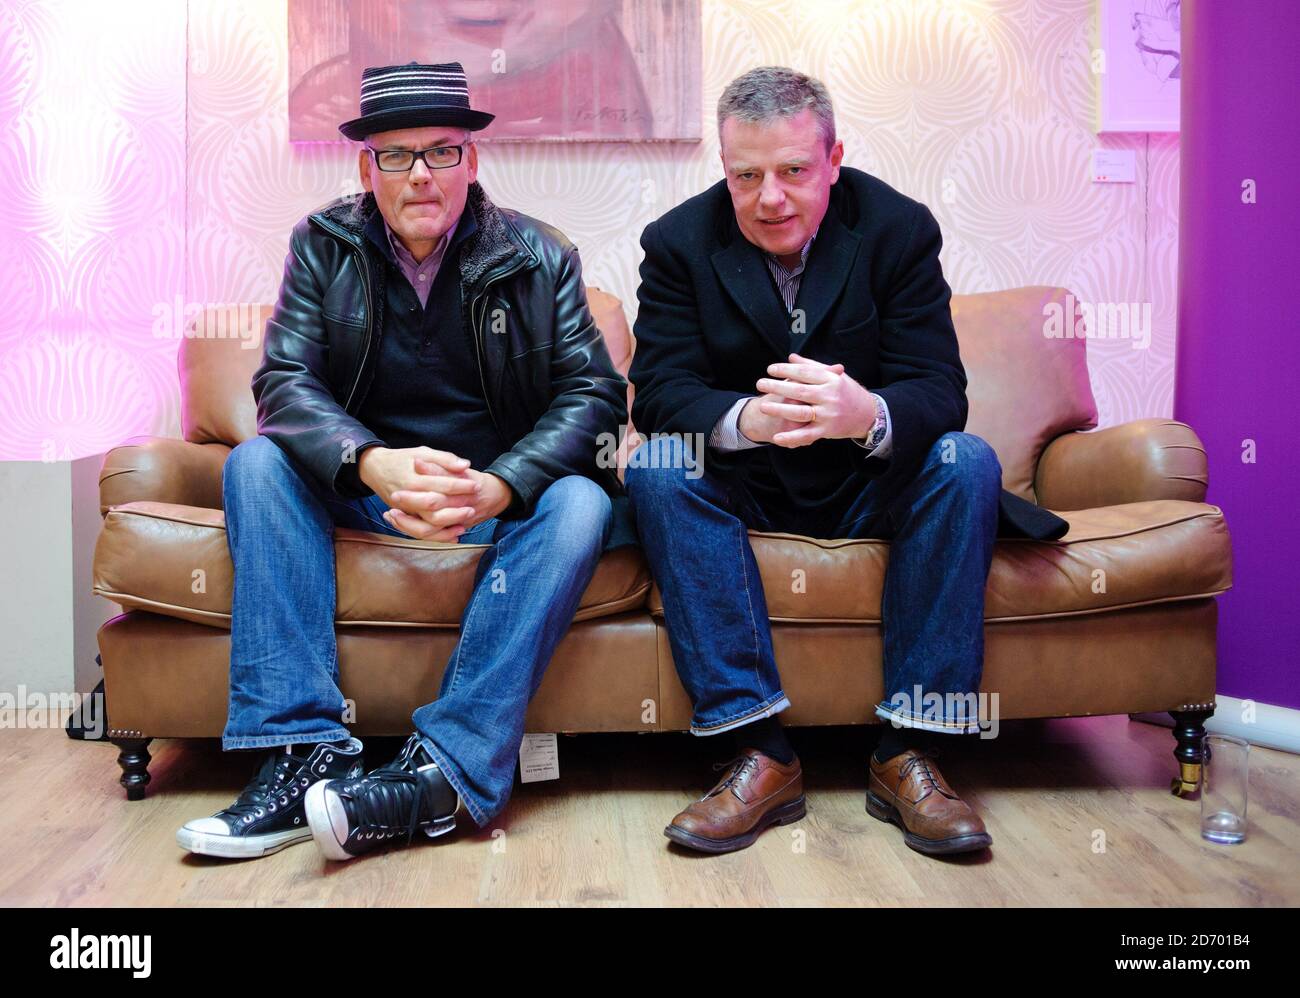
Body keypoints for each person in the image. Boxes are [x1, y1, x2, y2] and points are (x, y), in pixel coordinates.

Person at [176, 62, 627, 861]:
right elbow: (281, 383)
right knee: (256, 464)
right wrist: (372, 464)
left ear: (471, 161)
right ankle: (302, 755)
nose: (421, 174)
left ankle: (443, 772)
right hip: (366, 489)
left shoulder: (541, 255)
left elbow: (594, 395)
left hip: (497, 501)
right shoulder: (322, 246)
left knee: (585, 503)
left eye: (442, 151)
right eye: (397, 154)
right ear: (365, 166)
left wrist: (501, 483)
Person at [626, 66, 1068, 857]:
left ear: (834, 159)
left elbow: (940, 389)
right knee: (659, 463)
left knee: (966, 459)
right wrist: (745, 420)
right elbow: (658, 391)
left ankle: (910, 754)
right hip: (748, 486)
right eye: (746, 175)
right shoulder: (676, 243)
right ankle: (758, 751)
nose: (770, 198)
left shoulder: (898, 229)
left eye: (795, 171)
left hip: (872, 484)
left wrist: (864, 413)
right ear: (724, 168)